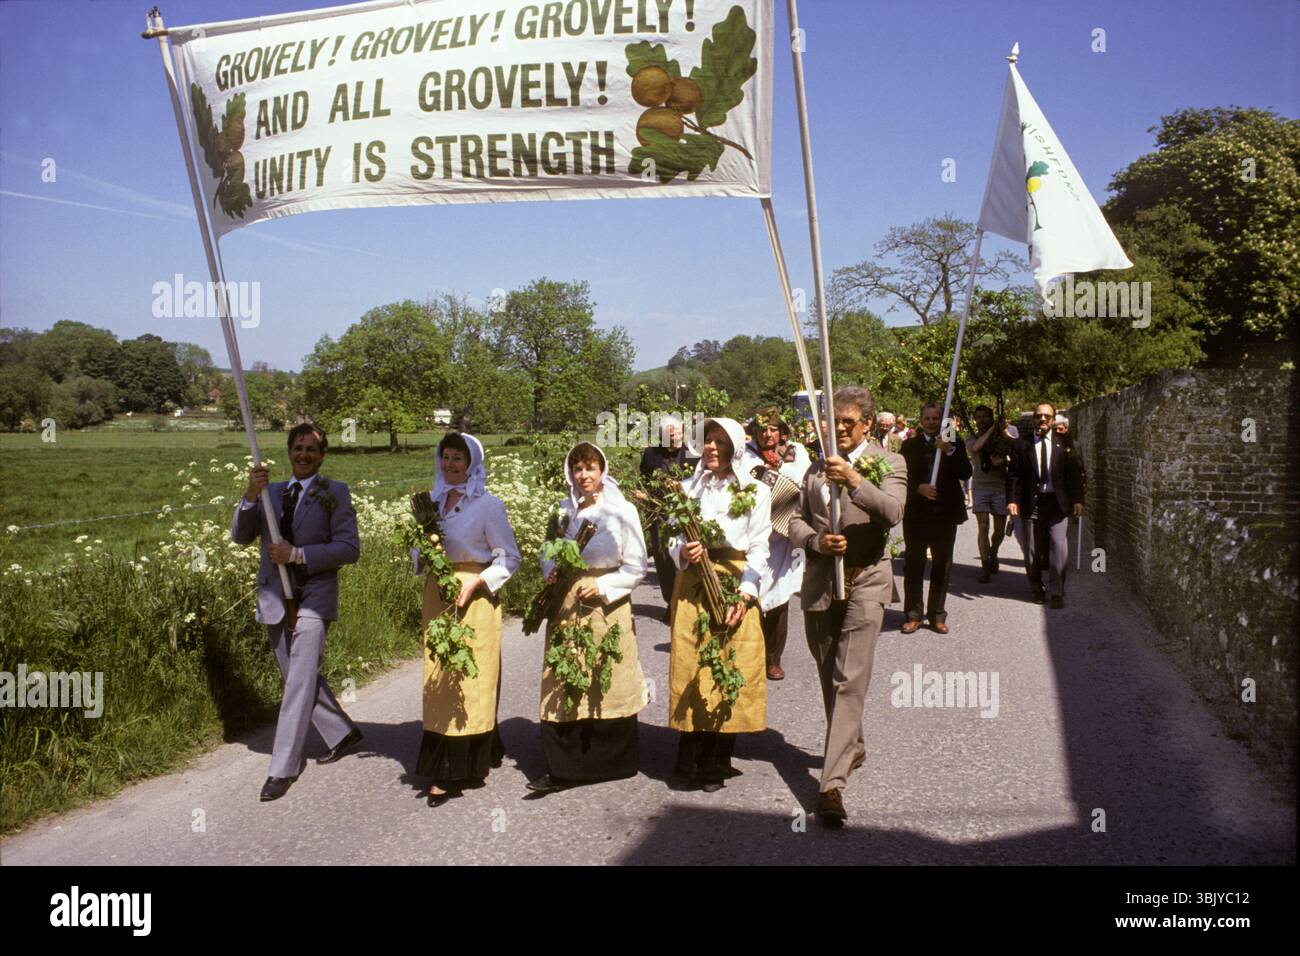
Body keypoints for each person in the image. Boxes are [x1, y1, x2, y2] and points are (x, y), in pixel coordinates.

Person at [789, 386, 906, 827]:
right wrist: (816, 541)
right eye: (833, 421)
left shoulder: (890, 461)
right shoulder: (814, 469)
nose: (838, 429)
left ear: (867, 426)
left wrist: (855, 481)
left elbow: (893, 511)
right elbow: (792, 520)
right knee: (827, 674)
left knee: (848, 680)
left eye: (847, 422)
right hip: (821, 581)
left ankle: (830, 785)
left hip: (867, 580)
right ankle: (852, 745)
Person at [233, 424, 363, 802]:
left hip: (313, 599)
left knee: (295, 687)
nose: (304, 454)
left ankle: (282, 767)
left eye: (312, 449)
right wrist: (250, 496)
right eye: (298, 448)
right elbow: (240, 536)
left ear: (322, 456)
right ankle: (340, 731)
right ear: (289, 452)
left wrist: (298, 555)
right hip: (276, 599)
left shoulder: (334, 493)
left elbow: (348, 549)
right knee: (298, 677)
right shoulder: (270, 494)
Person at [528, 442, 649, 793]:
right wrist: (551, 570)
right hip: (568, 600)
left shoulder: (622, 511)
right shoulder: (563, 510)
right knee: (565, 674)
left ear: (602, 471)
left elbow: (636, 565)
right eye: (578, 468)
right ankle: (565, 766)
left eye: (591, 468)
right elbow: (546, 551)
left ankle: (613, 762)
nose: (584, 475)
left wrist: (604, 586)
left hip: (607, 603)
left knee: (606, 673)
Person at [415, 432, 521, 806]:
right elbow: (418, 552)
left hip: (475, 595)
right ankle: (480, 744)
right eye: (445, 457)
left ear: (472, 463)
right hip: (437, 592)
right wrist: (424, 551)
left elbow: (508, 557)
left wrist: (478, 581)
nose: (450, 464)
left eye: (458, 458)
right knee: (439, 673)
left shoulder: (487, 505)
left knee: (471, 675)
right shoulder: (432, 502)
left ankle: (454, 769)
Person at [667, 418, 771, 792]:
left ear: (734, 448)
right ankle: (689, 756)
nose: (711, 448)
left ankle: (716, 760)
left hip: (733, 578)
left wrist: (746, 592)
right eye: (707, 441)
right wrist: (683, 549)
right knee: (693, 662)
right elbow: (671, 538)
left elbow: (760, 546)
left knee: (728, 663)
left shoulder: (755, 491)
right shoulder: (685, 489)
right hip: (694, 581)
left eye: (720, 442)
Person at [743, 406, 811, 681]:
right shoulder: (744, 454)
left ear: (782, 431)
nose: (767, 434)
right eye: (762, 429)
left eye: (773, 428)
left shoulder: (796, 453)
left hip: (786, 536)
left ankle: (774, 658)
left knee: (781, 595)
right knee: (753, 593)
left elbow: (807, 486)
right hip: (755, 534)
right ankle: (752, 653)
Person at [899, 403, 972, 634]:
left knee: (942, 565)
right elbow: (900, 478)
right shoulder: (909, 446)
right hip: (916, 515)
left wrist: (949, 451)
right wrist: (917, 488)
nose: (931, 422)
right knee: (913, 564)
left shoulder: (953, 443)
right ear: (920, 421)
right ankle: (913, 614)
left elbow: (966, 472)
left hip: (944, 515)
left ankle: (937, 615)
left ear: (941, 421)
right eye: (927, 418)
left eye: (935, 418)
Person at [1008, 402, 1085, 608]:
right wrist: (1012, 501)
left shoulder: (1066, 443)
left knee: (1059, 547)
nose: (1042, 419)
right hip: (1031, 502)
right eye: (1038, 416)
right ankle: (1037, 589)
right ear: (1034, 418)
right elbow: (1013, 476)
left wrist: (1078, 499)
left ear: (1053, 420)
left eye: (1046, 416)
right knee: (1032, 549)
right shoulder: (1020, 444)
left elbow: (1075, 474)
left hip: (1057, 503)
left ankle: (1057, 592)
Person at [636, 415, 689, 613]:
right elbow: (643, 480)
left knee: (685, 554)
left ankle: (685, 600)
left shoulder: (692, 453)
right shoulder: (651, 454)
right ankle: (671, 603)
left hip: (685, 511)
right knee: (663, 557)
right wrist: (643, 495)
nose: (676, 438)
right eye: (671, 435)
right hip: (658, 511)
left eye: (678, 434)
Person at [968, 404, 1013, 583]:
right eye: (978, 417)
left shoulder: (1002, 438)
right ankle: (985, 566)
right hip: (980, 487)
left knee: (999, 530)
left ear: (992, 418)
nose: (982, 421)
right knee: (983, 526)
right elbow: (975, 448)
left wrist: (1002, 459)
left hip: (1000, 487)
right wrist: (991, 430)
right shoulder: (972, 437)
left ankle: (994, 551)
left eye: (985, 417)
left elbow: (1012, 449)